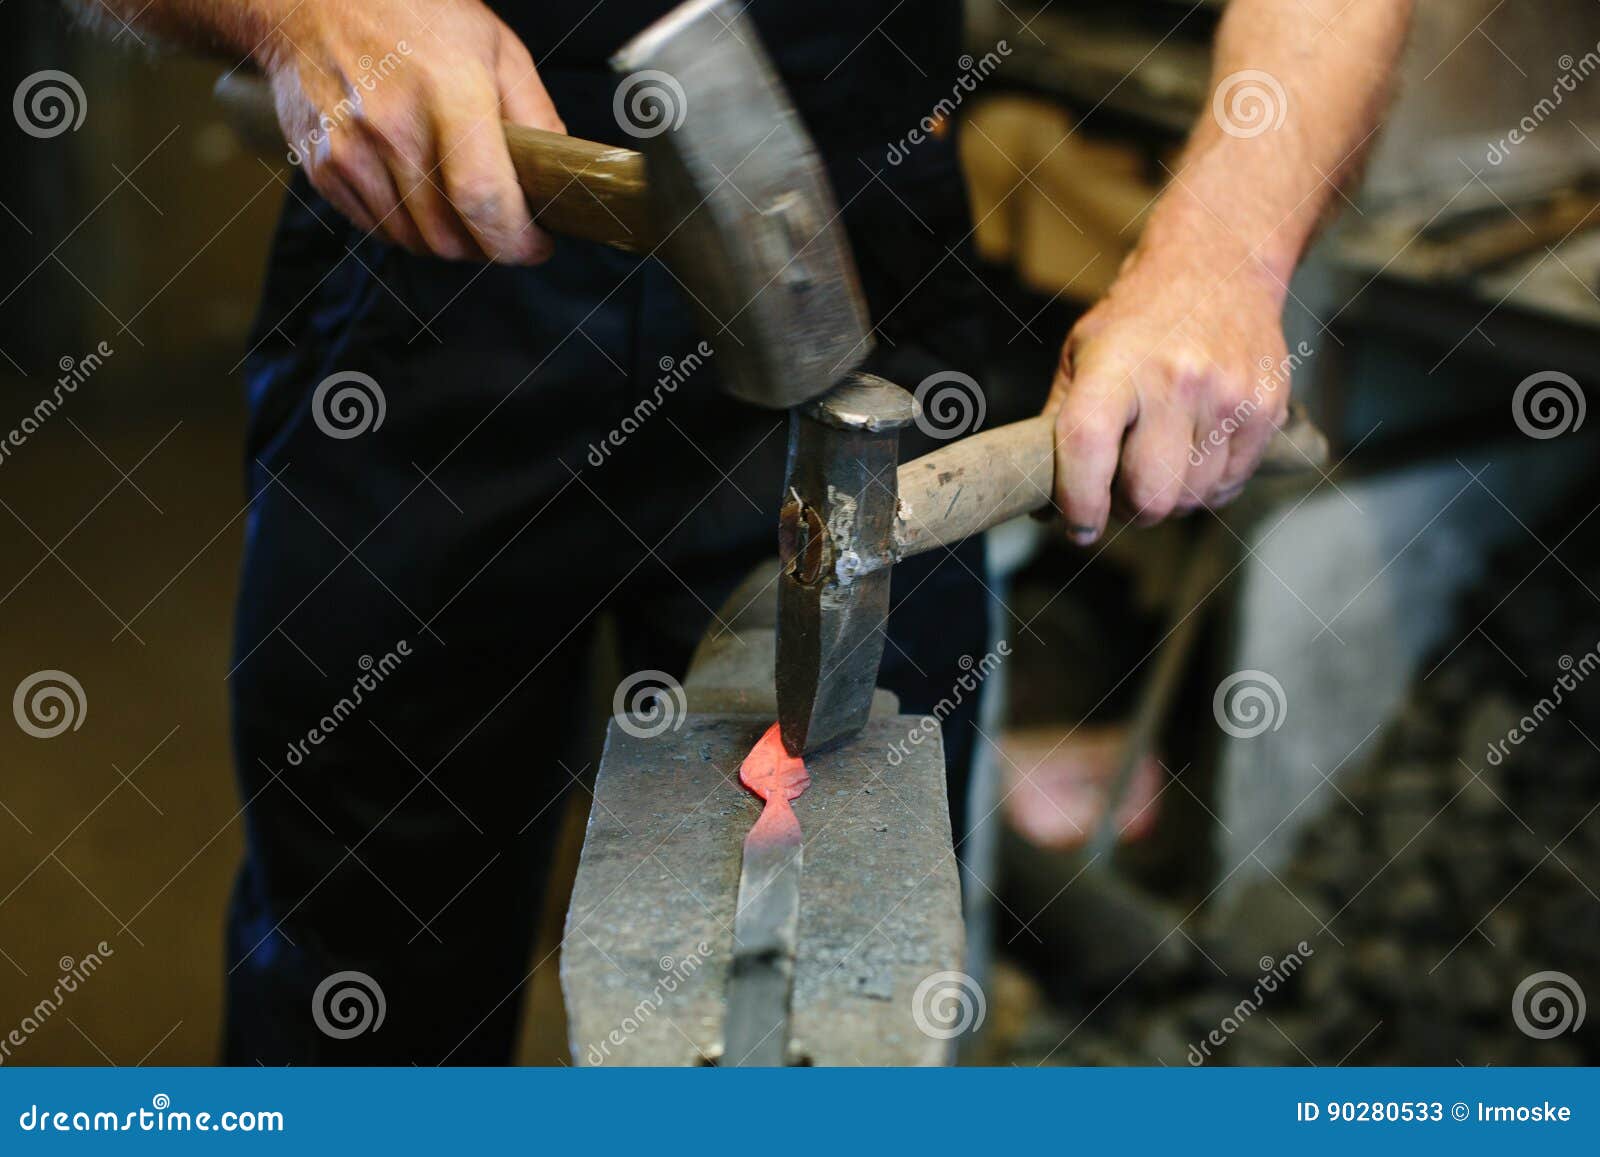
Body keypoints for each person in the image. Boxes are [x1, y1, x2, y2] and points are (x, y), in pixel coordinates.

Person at [91, 0, 1412, 1062]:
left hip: (854, 334)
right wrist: (306, 18)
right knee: (361, 979)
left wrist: (1224, 252)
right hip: (420, 308)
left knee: (831, 983)